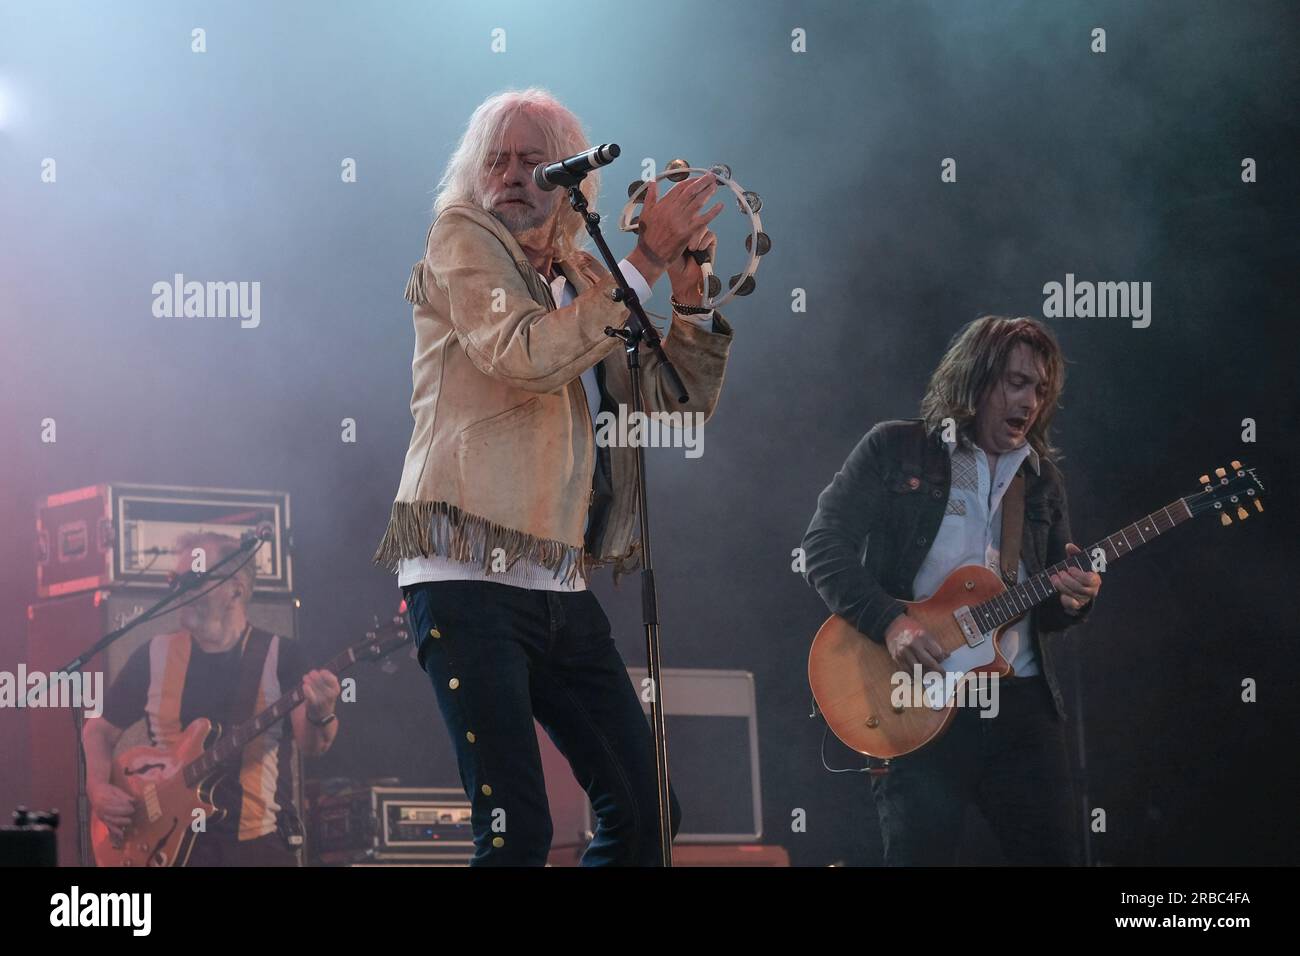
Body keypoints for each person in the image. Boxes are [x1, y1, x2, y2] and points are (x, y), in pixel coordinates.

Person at [374, 87, 736, 865]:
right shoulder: (460, 238)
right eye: (494, 159)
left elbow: (667, 404)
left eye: (532, 161)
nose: (508, 174)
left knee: (646, 815)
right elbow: (526, 354)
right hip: (465, 575)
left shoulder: (582, 267)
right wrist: (641, 261)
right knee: (516, 833)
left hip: (555, 582)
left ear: (571, 180)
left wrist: (686, 288)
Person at [801, 315, 1101, 865]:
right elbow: (823, 546)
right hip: (920, 696)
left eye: (1040, 388)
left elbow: (1049, 613)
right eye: (1015, 382)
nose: (1030, 401)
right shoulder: (896, 449)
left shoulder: (1041, 482)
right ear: (975, 380)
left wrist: (1073, 600)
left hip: (1019, 706)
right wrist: (891, 623)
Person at [84, 531, 340, 866]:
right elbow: (98, 730)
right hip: (168, 845)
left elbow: (313, 745)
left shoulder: (282, 656)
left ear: (236, 589)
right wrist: (98, 788)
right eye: (174, 579)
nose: (179, 589)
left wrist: (322, 712)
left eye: (193, 579)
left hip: (257, 845)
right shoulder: (154, 655)